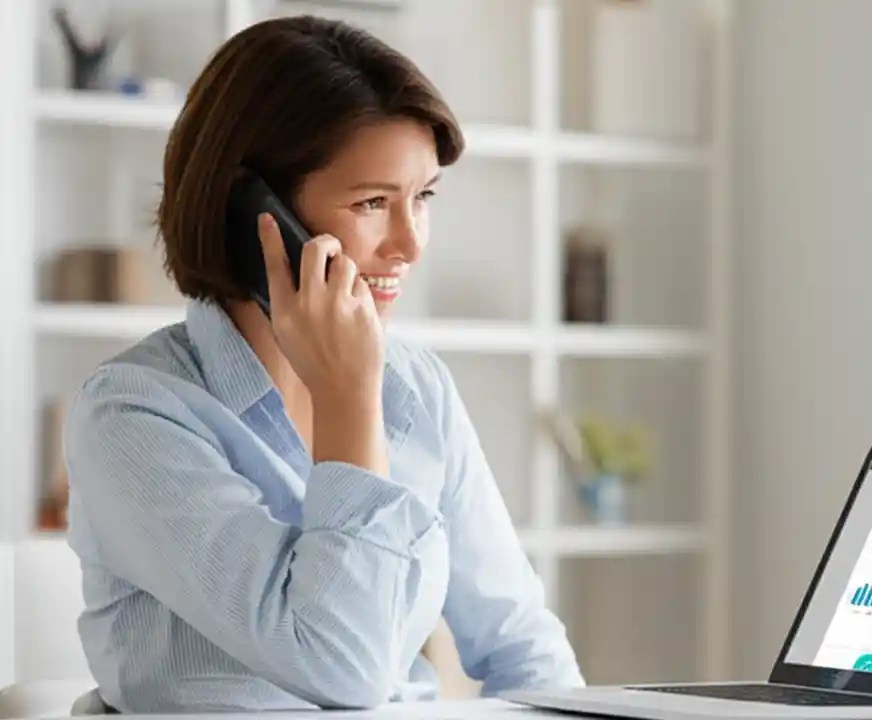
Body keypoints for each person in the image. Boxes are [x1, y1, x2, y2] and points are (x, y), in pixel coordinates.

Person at [62, 15, 583, 713]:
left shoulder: (416, 387)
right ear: (258, 215)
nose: (410, 244)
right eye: (372, 203)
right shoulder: (132, 413)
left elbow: (523, 646)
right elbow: (341, 666)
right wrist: (347, 402)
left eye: (422, 198)